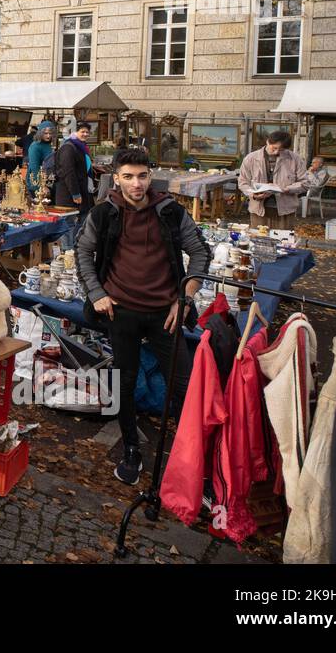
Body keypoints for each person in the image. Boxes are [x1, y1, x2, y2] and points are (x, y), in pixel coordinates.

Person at [75, 146, 210, 485]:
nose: (136, 184)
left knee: (182, 385)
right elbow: (83, 251)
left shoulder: (170, 212)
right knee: (124, 381)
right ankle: (131, 449)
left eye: (142, 176)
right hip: (122, 312)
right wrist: (97, 293)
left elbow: (199, 254)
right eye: (128, 177)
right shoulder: (105, 213)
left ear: (150, 176)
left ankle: (189, 456)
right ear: (116, 179)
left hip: (166, 313)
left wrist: (185, 300)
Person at [237, 129, 307, 229]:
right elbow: (243, 182)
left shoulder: (295, 159)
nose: (277, 152)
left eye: (281, 150)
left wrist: (285, 189)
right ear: (268, 141)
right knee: (258, 239)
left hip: (285, 210)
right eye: (274, 148)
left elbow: (305, 183)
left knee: (283, 240)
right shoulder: (250, 158)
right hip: (258, 210)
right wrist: (253, 194)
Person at [54, 121, 94, 216]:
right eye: (82, 131)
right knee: (71, 224)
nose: (85, 134)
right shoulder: (68, 147)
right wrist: (75, 193)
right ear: (74, 132)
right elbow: (68, 172)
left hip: (81, 191)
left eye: (87, 132)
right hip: (69, 194)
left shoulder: (81, 147)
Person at [26, 121, 56, 191]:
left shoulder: (48, 144)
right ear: (40, 133)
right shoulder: (35, 146)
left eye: (50, 133)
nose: (48, 136)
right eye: (45, 133)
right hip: (37, 184)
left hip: (47, 181)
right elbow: (34, 167)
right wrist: (42, 186)